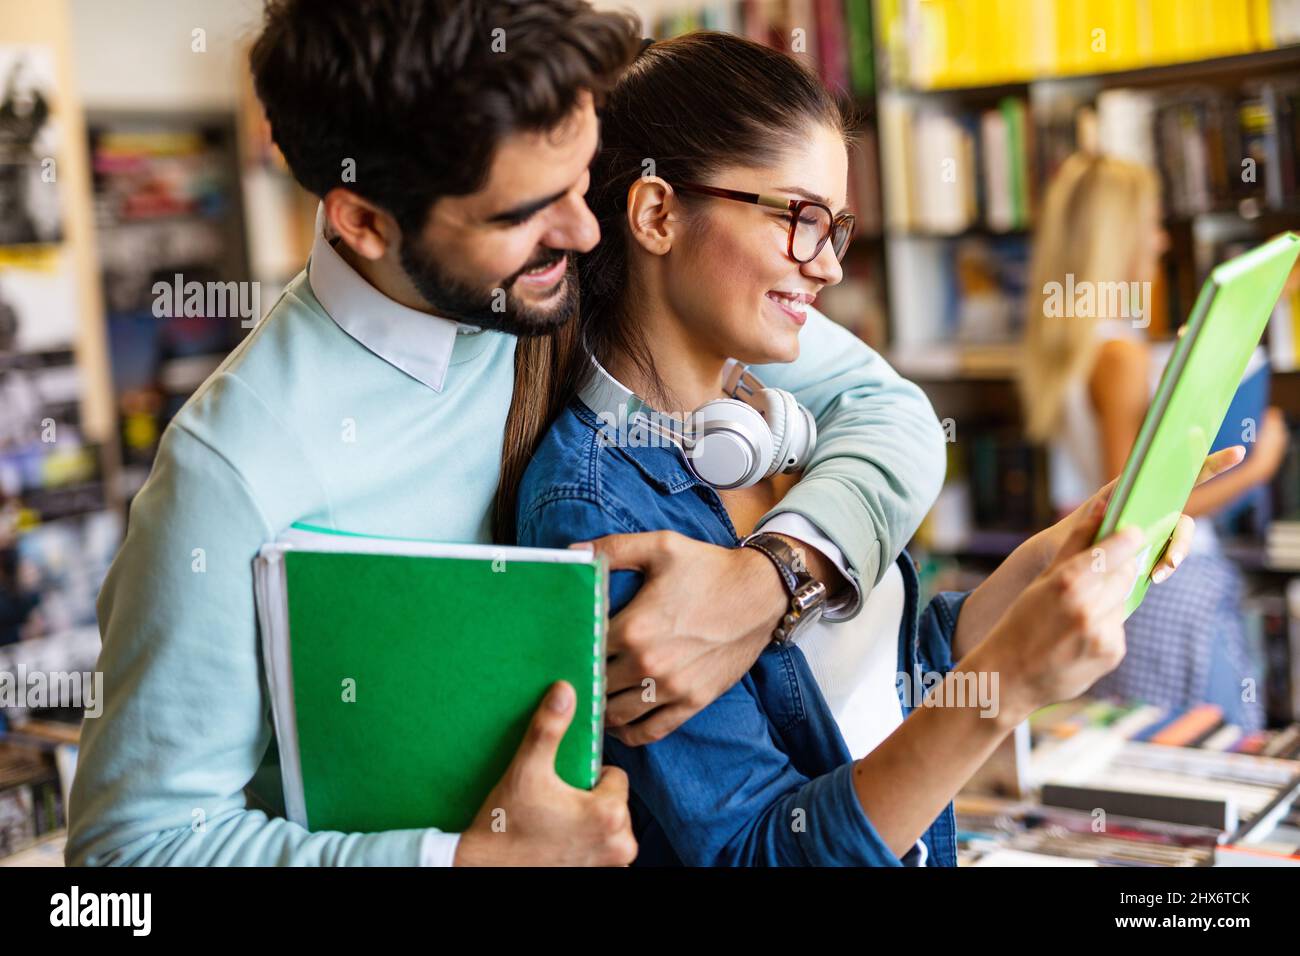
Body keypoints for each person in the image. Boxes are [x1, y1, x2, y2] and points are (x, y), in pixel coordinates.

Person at [67, 1, 948, 866]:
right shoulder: (233, 470)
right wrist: (458, 861)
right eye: (524, 210)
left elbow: (892, 415)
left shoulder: (572, 268)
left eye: (580, 177)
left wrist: (769, 581)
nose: (586, 226)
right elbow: (128, 855)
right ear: (363, 220)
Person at [513, 32, 1231, 866]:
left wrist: (1041, 571)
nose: (826, 268)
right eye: (798, 219)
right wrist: (1005, 696)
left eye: (837, 227)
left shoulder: (771, 421)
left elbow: (878, 691)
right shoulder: (597, 508)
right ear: (658, 214)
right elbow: (759, 852)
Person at [1020, 152, 1287, 729]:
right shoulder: (1119, 355)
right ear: (1118, 238)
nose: (1162, 243)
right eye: (1152, 225)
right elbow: (1135, 513)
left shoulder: (1076, 344)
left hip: (1122, 594)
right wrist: (1257, 466)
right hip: (1168, 589)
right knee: (1222, 750)